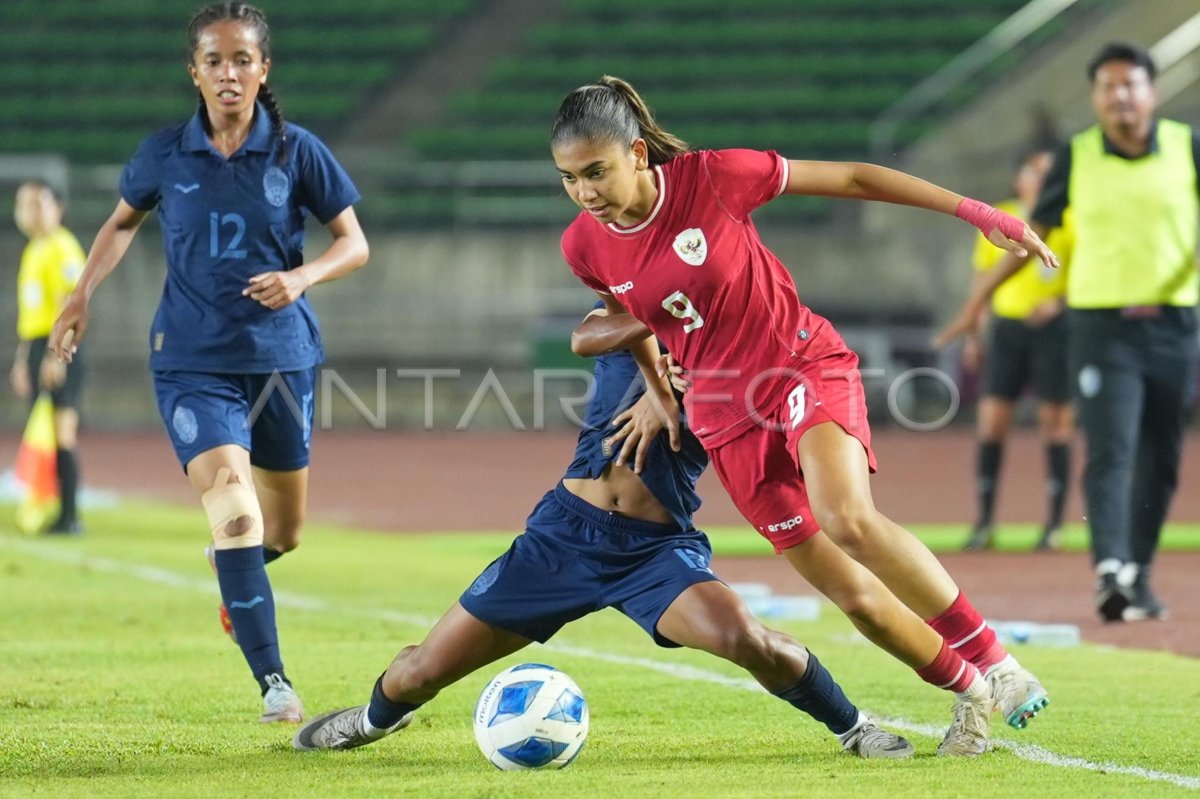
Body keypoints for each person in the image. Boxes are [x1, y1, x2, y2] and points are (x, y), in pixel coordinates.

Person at [551, 76, 1060, 756]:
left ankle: (1000, 665)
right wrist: (659, 389)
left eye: (596, 172)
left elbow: (852, 177)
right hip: (725, 419)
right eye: (569, 179)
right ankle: (972, 691)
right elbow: (628, 314)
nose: (585, 193)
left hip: (799, 366)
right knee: (858, 600)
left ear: (637, 154)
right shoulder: (584, 244)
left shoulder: (715, 178)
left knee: (846, 516)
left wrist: (975, 213)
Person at [293, 307, 914, 760]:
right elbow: (585, 335)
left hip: (655, 552)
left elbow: (763, 431)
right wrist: (656, 380)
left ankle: (854, 728)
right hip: (563, 537)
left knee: (748, 639)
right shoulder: (630, 312)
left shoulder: (736, 364)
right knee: (419, 673)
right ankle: (371, 722)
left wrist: (688, 390)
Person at [48, 2, 369, 722]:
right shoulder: (165, 154)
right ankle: (275, 682)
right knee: (235, 512)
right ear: (194, 72)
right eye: (215, 61)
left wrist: (302, 277)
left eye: (242, 60)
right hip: (191, 361)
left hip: (281, 359)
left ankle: (237, 568)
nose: (229, 73)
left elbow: (355, 243)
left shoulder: (298, 151)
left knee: (282, 532)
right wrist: (80, 295)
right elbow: (120, 223)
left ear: (264, 70)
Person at [937, 42, 1199, 623]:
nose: (1120, 95)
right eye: (1108, 86)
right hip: (1102, 328)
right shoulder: (1075, 158)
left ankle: (1138, 574)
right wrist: (977, 300)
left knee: (1162, 457)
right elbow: (1032, 238)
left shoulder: (1188, 148)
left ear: (1152, 92)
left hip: (1175, 326)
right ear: (1095, 97)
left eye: (1130, 84)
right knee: (1111, 447)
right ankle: (1110, 570)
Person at [956, 149, 1075, 552]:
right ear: (1019, 179)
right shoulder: (998, 217)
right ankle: (984, 523)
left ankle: (1054, 526)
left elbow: (1089, 275)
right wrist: (974, 335)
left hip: (1056, 330)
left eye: (1049, 173)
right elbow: (981, 281)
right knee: (991, 424)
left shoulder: (1070, 219)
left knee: (1056, 425)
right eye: (1035, 172)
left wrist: (1059, 303)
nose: (1042, 179)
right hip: (1008, 330)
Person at [10, 181, 88, 534]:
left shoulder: (62, 247)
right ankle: (53, 508)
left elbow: (70, 303)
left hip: (58, 346)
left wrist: (57, 356)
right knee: (45, 431)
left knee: (62, 432)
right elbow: (31, 315)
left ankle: (69, 516)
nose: (31, 212)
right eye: (24, 205)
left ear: (58, 208)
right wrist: (22, 358)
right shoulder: (34, 249)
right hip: (37, 345)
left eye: (38, 204)